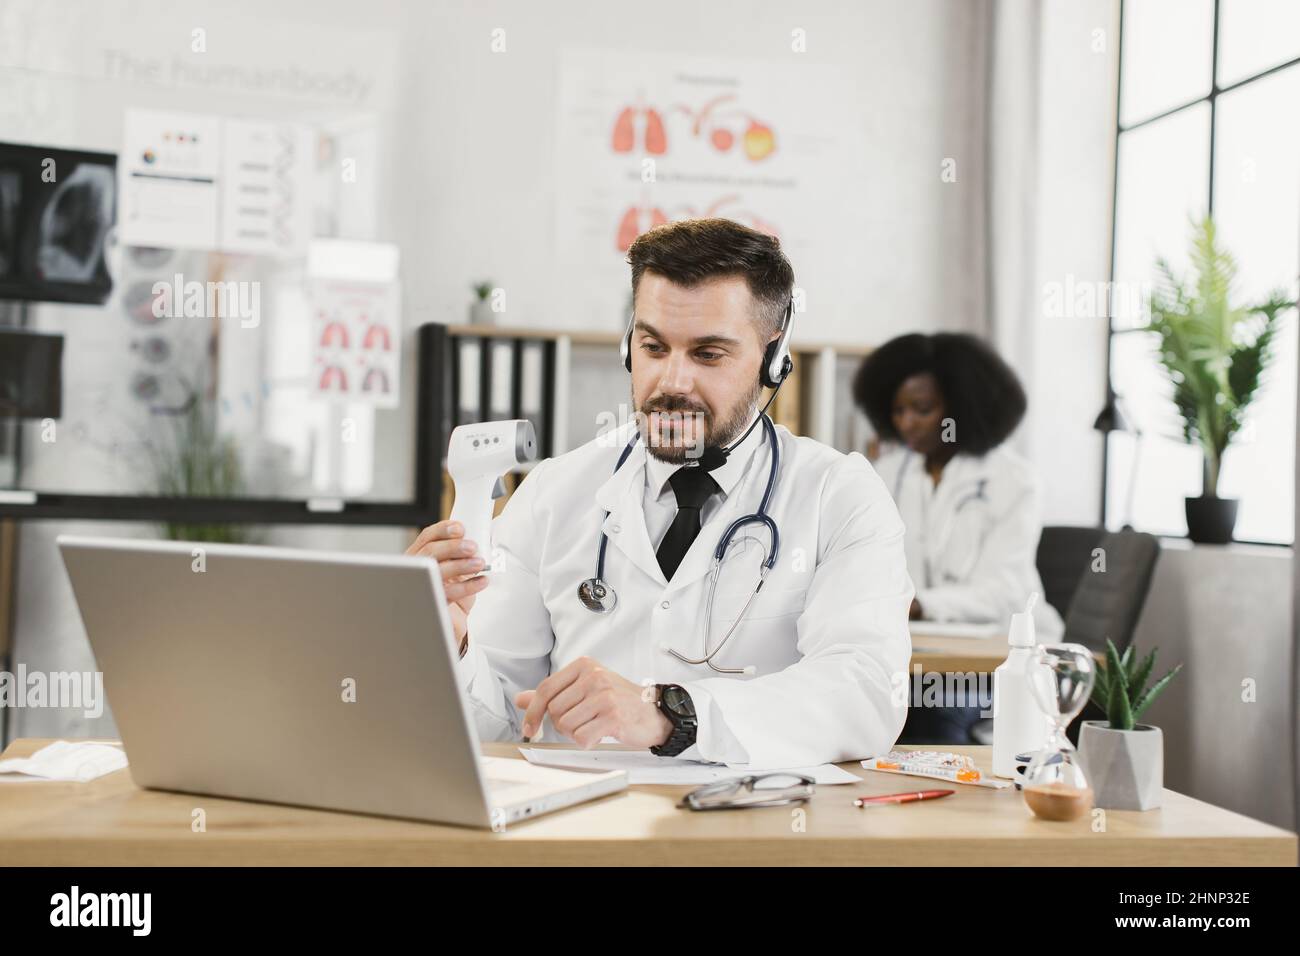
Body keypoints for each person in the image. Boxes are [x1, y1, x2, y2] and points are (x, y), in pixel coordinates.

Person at [407, 218, 913, 768]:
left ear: (773, 359)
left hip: (756, 815)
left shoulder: (838, 495)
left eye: (708, 354)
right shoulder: (554, 493)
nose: (672, 382)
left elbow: (866, 693)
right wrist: (454, 644)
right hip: (581, 817)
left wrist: (671, 714)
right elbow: (502, 723)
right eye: (653, 346)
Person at [852, 332, 1063, 743]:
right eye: (897, 410)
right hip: (916, 653)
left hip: (999, 659)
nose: (907, 423)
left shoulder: (1013, 479)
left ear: (961, 406)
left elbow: (1004, 591)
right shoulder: (887, 473)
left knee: (932, 711)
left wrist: (919, 604)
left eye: (922, 409)